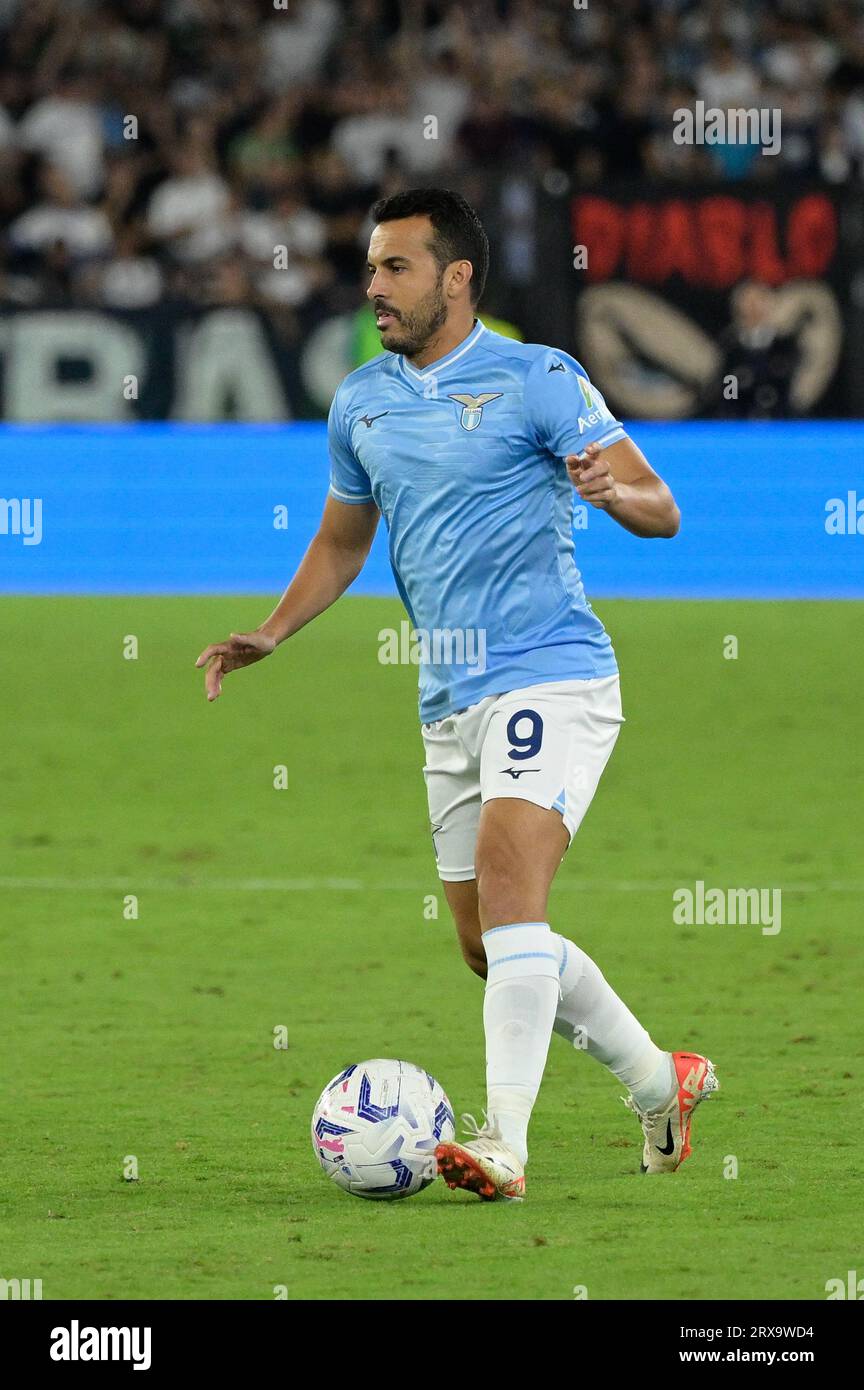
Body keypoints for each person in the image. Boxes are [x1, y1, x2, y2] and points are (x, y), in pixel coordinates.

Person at [196, 187, 718, 1201]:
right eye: (370, 269)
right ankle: (663, 1082)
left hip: (554, 671)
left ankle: (505, 1145)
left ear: (457, 275)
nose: (373, 288)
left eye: (395, 268)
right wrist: (271, 630)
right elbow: (344, 538)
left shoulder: (539, 379)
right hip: (447, 699)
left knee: (520, 906)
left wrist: (616, 495)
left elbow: (665, 508)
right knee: (491, 948)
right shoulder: (361, 402)